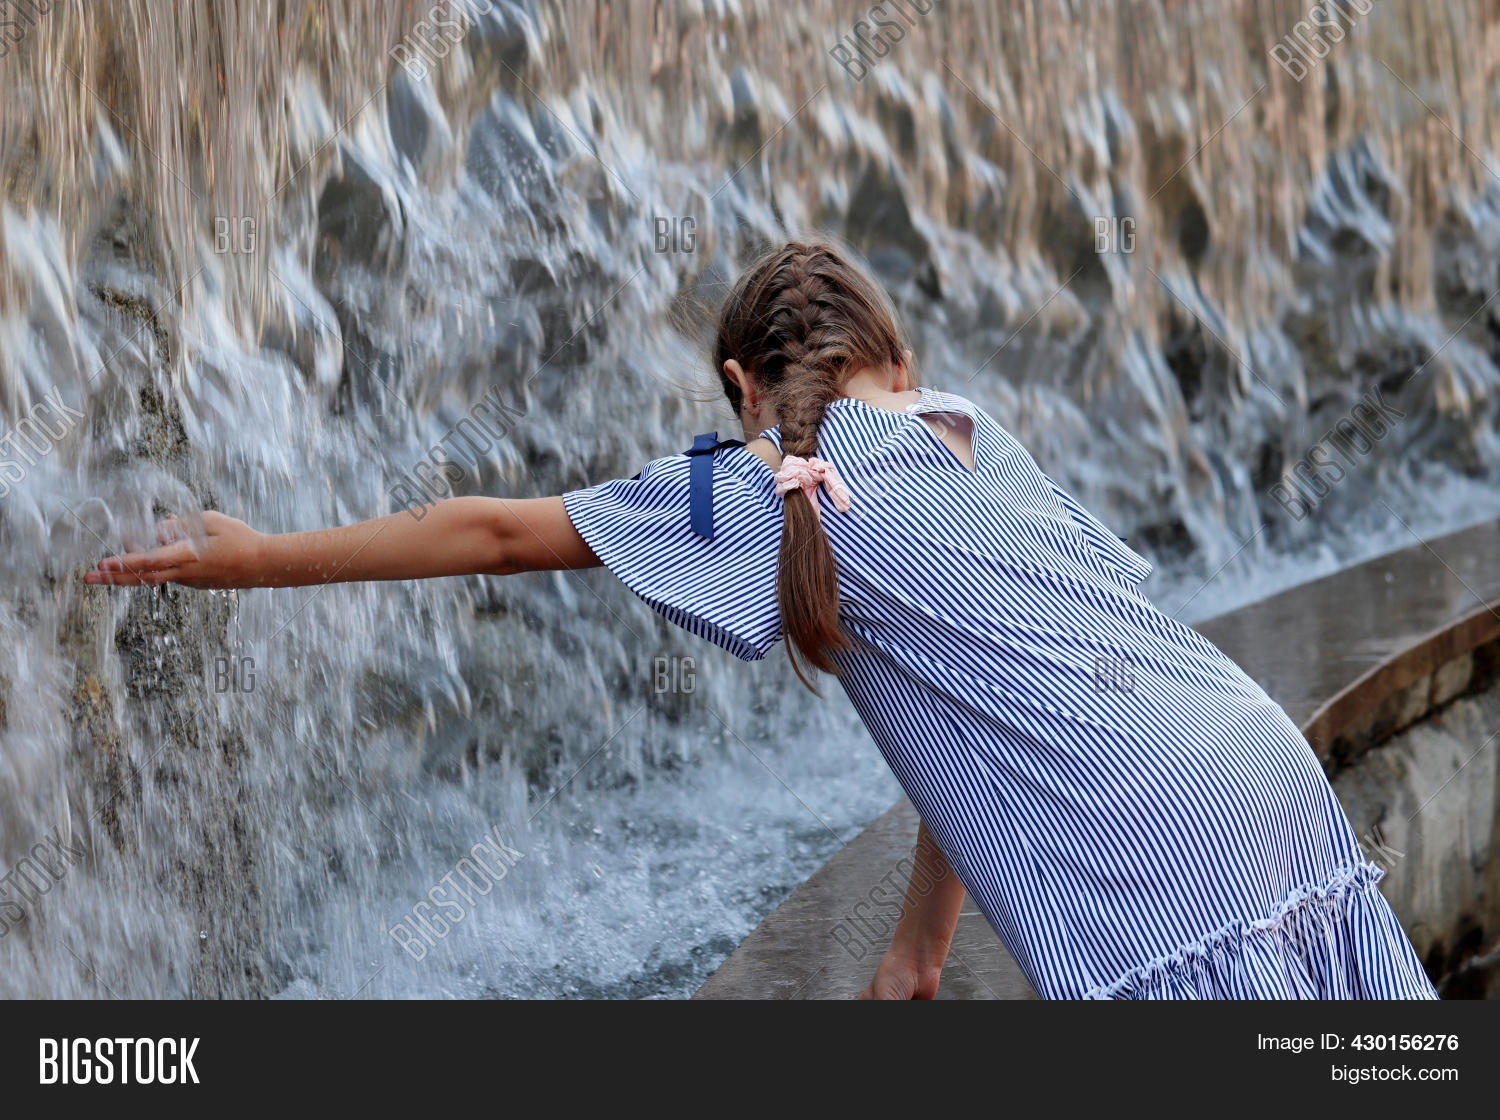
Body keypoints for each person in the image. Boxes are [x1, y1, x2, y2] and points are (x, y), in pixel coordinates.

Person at [85, 241, 1438, 1000]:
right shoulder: (971, 432)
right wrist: (917, 952)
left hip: (1148, 875)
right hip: (1261, 771)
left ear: (742, 385)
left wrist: (256, 561)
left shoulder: (755, 488)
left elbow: (492, 528)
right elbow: (1001, 718)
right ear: (896, 361)